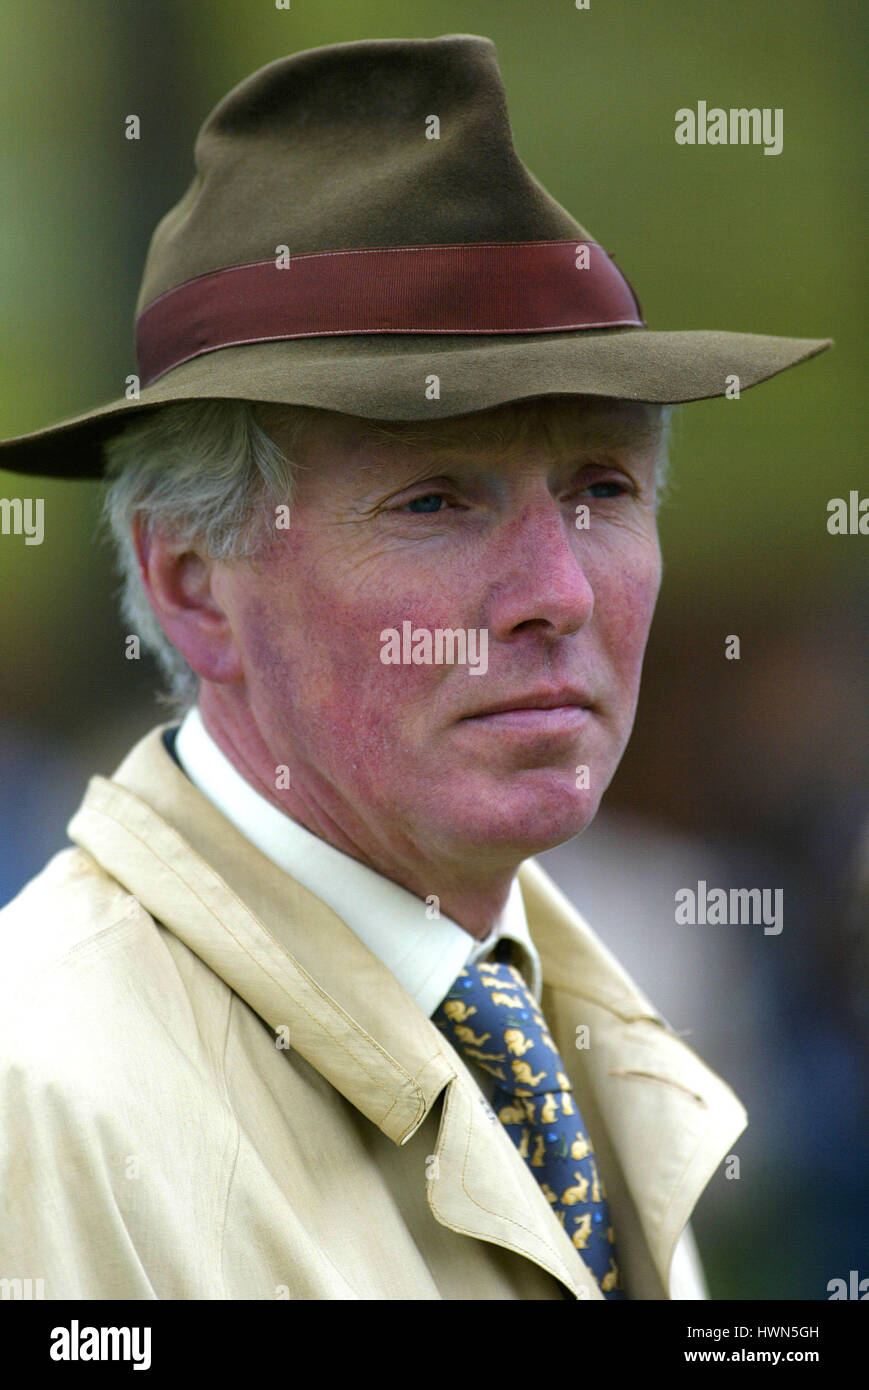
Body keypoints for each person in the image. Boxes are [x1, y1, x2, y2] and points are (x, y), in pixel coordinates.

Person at [0, 34, 830, 1301]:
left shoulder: (567, 1035)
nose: (556, 594)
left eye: (600, 488)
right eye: (435, 501)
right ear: (190, 584)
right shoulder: (49, 1098)